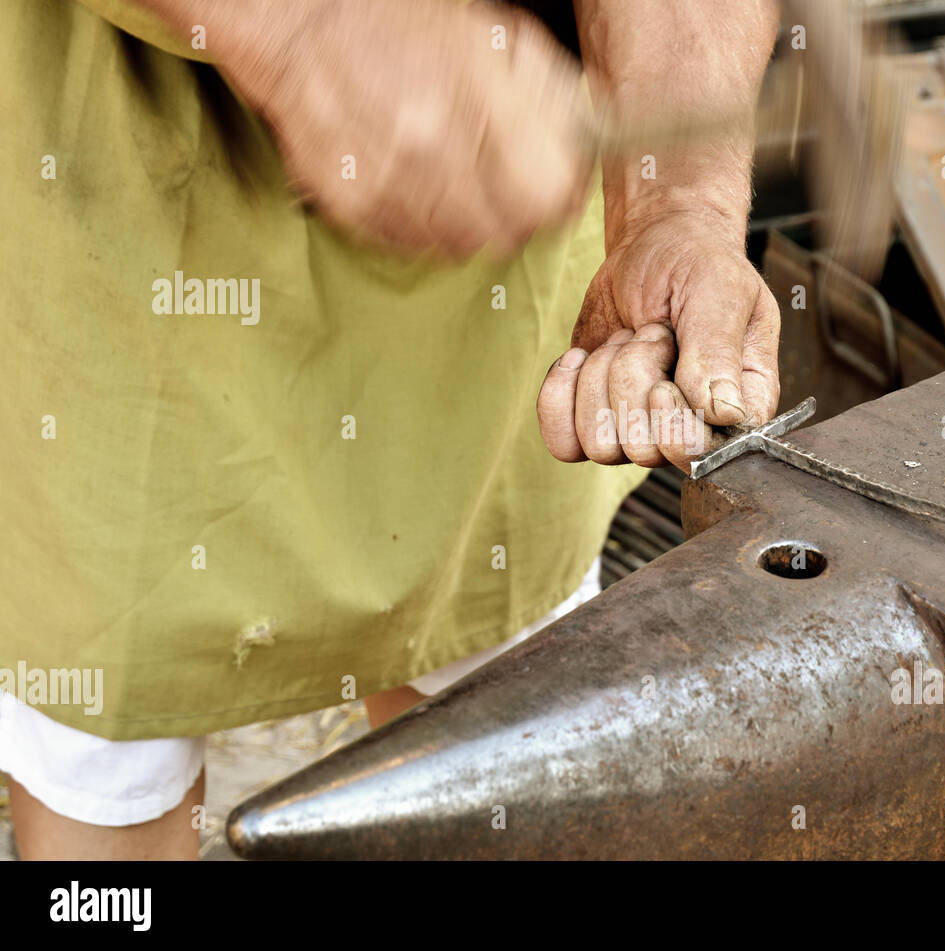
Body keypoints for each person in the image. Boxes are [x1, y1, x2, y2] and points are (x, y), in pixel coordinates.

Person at [0, 0, 781, 859]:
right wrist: (305, 28)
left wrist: (677, 201)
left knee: (489, 752)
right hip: (117, 215)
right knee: (108, 782)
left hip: (492, 256)